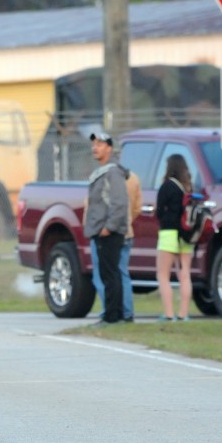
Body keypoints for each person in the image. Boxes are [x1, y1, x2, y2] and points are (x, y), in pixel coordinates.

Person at [85, 132, 128, 326]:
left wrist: (108, 228)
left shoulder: (113, 172)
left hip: (110, 232)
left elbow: (119, 204)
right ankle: (113, 314)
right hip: (100, 230)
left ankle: (113, 317)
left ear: (110, 149)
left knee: (110, 274)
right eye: (94, 144)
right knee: (107, 273)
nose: (95, 147)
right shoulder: (101, 172)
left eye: (100, 144)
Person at [90, 163, 142, 321]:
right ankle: (126, 312)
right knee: (122, 273)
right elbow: (136, 207)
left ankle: (110, 311)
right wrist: (128, 221)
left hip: (108, 231)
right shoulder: (133, 178)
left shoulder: (103, 177)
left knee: (104, 274)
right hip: (126, 231)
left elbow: (93, 205)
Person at [156, 153, 196, 322]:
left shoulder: (167, 187)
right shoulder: (188, 188)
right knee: (184, 274)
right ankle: (183, 314)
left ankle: (169, 314)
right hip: (186, 234)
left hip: (169, 233)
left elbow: (159, 211)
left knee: (163, 275)